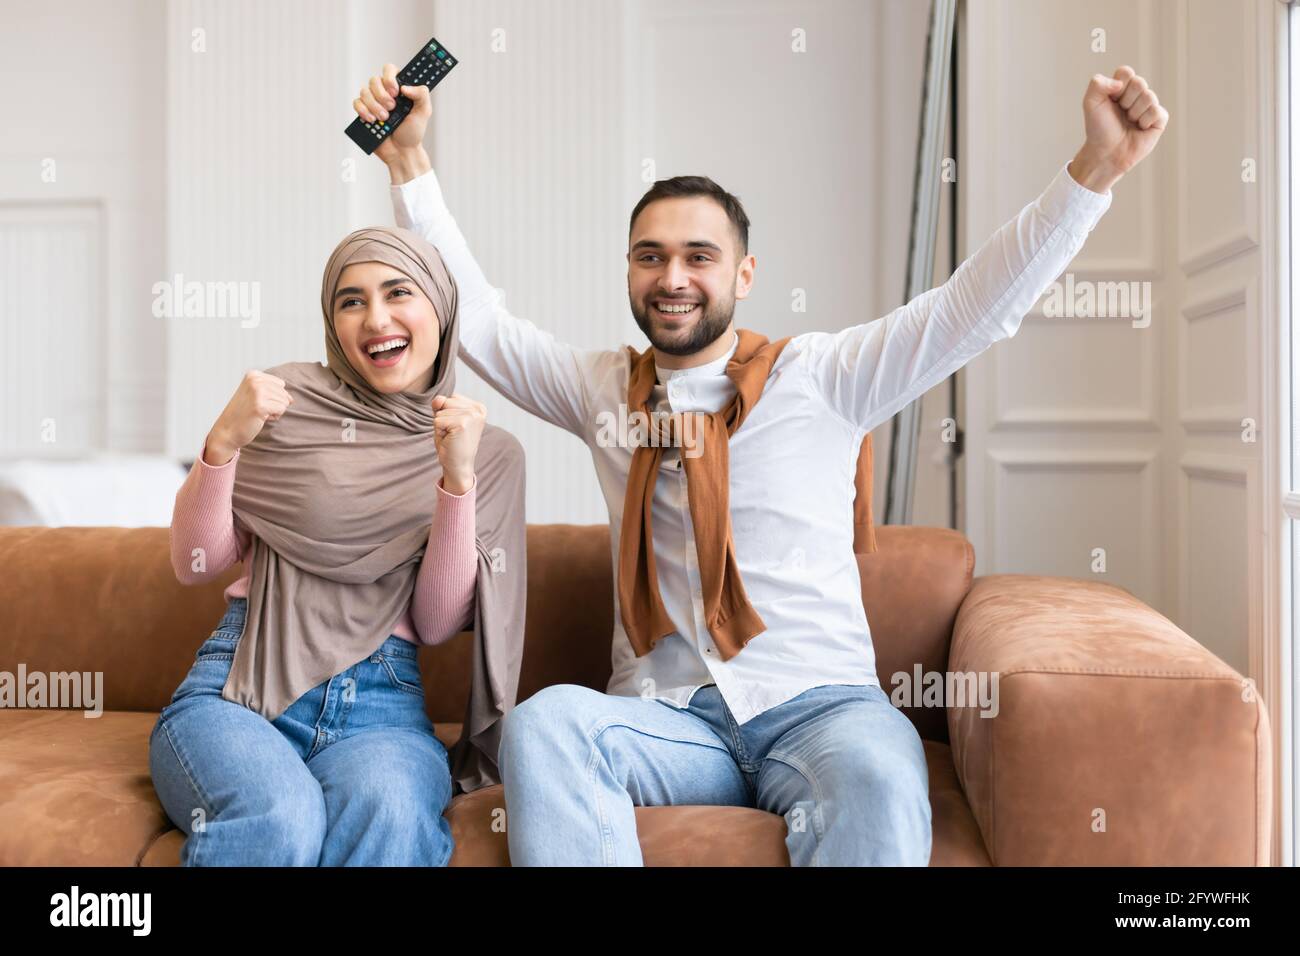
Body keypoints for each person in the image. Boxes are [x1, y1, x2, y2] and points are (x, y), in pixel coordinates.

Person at [351, 62, 1168, 865]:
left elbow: (972, 308)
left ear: (743, 273)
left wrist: (1094, 170)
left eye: (699, 256)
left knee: (885, 779)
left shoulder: (824, 376)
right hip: (668, 721)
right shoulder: (605, 391)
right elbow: (484, 324)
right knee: (546, 725)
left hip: (819, 710)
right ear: (630, 272)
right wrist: (409, 163)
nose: (673, 278)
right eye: (650, 256)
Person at [149, 225, 520, 866]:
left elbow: (435, 624)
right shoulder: (287, 404)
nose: (375, 319)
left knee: (394, 819)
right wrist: (222, 445)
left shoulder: (490, 453)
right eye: (350, 301)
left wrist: (456, 484)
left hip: (383, 707)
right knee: (280, 816)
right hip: (240, 684)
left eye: (397, 292)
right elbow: (195, 563)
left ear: (440, 304)